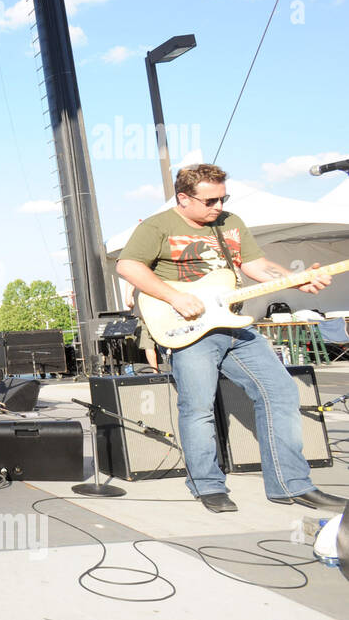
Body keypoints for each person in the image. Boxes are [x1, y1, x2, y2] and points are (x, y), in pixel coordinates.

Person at [117, 164, 346, 514]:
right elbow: (128, 266)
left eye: (223, 197)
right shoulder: (158, 226)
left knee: (281, 392)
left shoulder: (231, 223)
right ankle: (207, 485)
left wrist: (293, 279)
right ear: (183, 197)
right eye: (210, 200)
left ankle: (291, 484)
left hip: (234, 325)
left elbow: (253, 264)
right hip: (187, 328)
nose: (218, 206)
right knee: (198, 408)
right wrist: (175, 297)